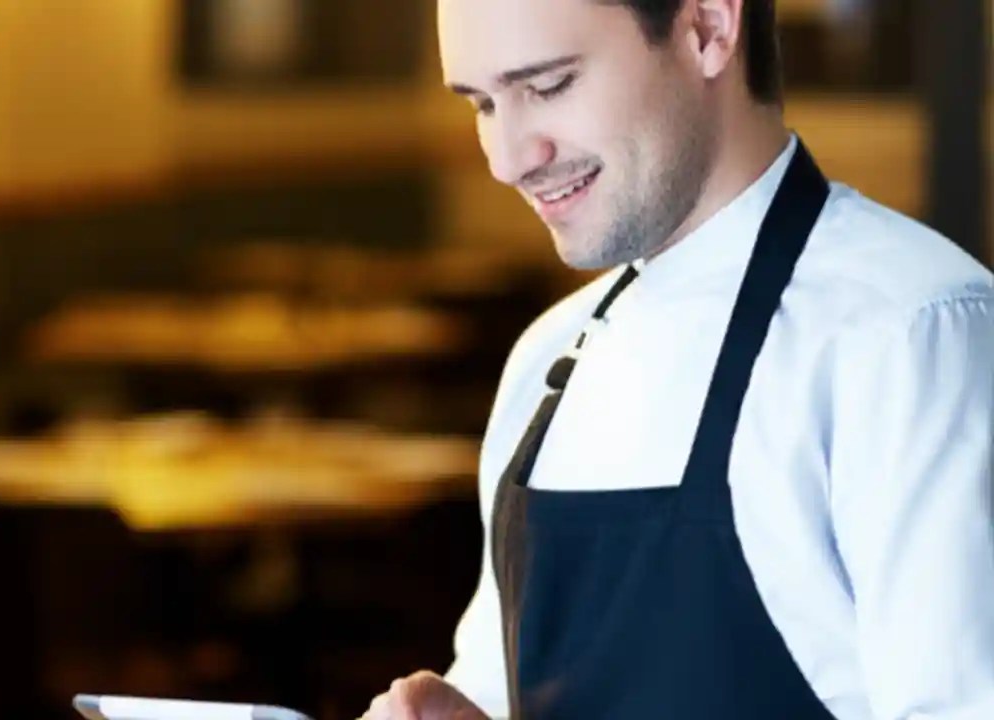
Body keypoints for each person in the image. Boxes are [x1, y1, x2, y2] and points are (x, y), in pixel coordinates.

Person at [361, 0, 994, 718]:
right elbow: (499, 686)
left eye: (548, 86)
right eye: (482, 104)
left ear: (709, 30)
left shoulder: (914, 335)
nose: (508, 161)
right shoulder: (546, 363)